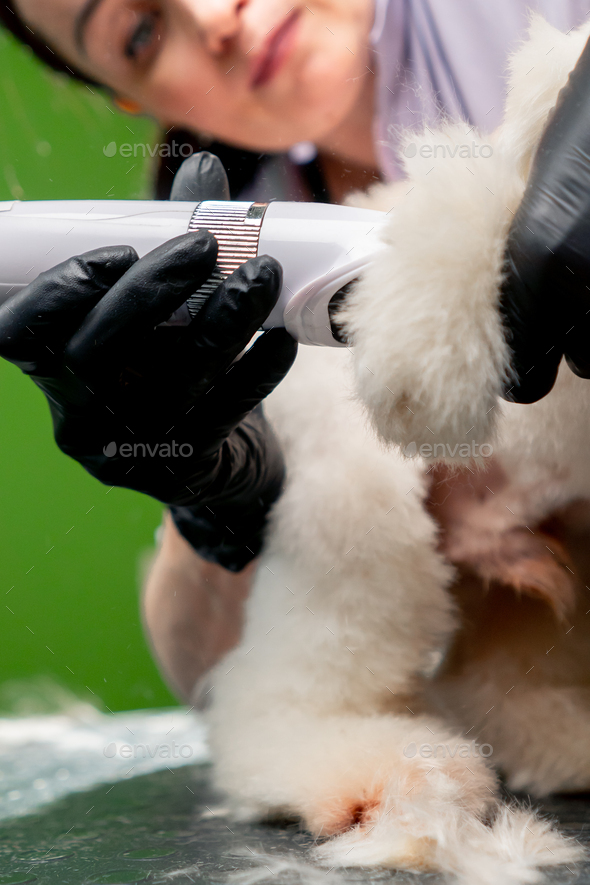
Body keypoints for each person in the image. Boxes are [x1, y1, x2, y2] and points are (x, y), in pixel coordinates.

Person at [1, 0, 590, 701]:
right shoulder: (226, 237)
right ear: (133, 101)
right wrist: (228, 507)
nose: (214, 17)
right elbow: (207, 673)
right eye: (140, 34)